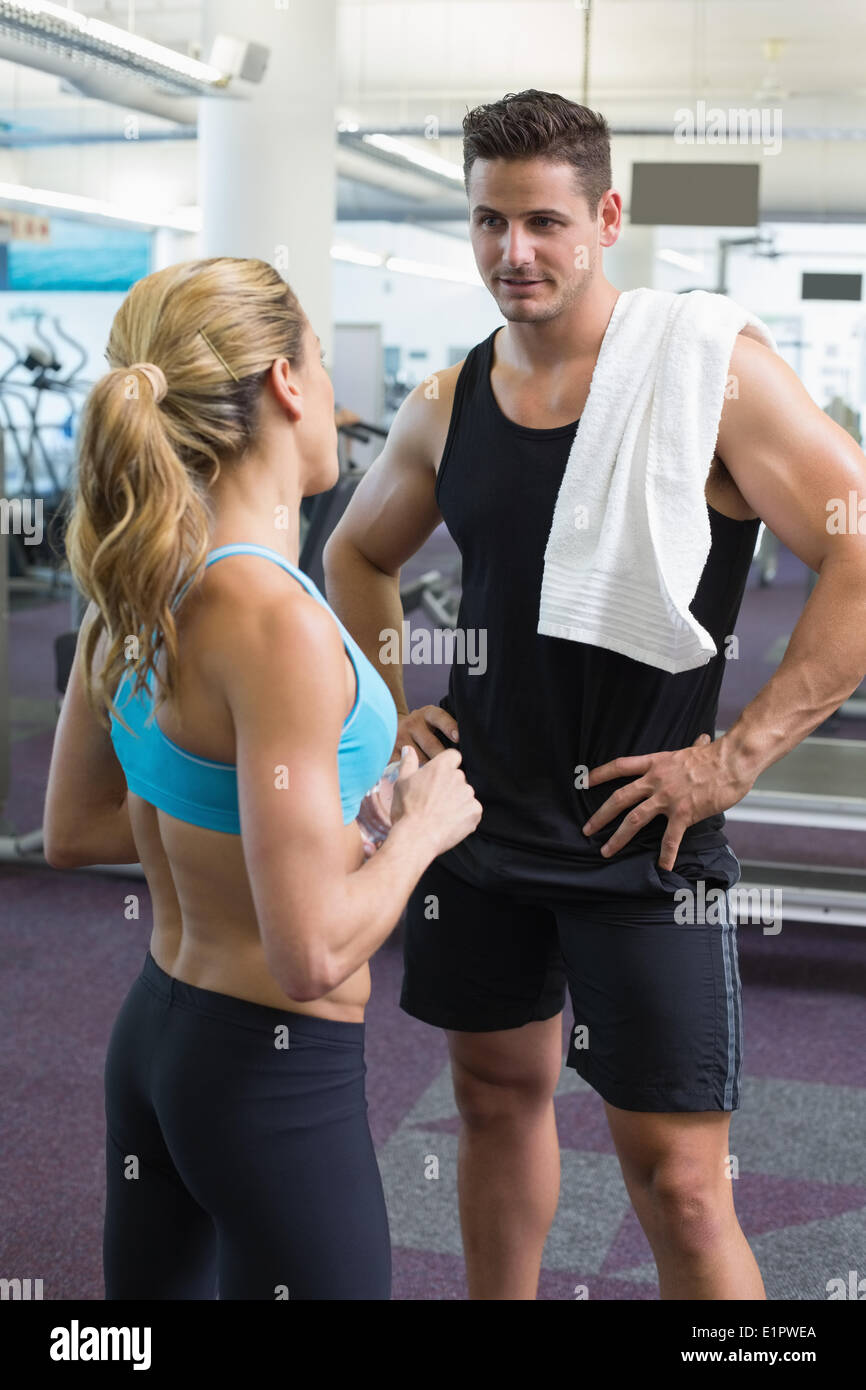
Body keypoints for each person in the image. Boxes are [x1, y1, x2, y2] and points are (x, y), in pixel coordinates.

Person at [323, 91, 866, 1299]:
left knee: (676, 1181)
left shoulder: (702, 373)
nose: (513, 252)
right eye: (486, 223)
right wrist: (390, 699)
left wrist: (732, 759)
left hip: (645, 837)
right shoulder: (446, 400)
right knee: (491, 1101)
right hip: (477, 827)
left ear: (605, 217)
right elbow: (353, 555)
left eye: (543, 223)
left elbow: (858, 547)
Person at [42, 255, 481, 1300]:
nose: (335, 395)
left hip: (157, 1036)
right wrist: (421, 824)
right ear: (288, 382)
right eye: (324, 367)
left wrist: (298, 820)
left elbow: (79, 827)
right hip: (269, 1071)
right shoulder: (278, 619)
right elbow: (308, 951)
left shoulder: (139, 573)